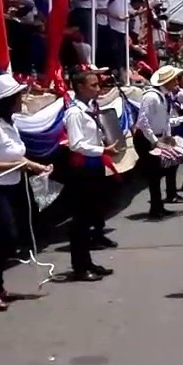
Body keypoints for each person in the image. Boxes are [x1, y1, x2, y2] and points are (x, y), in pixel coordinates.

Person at [0, 74, 52, 311]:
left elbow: (16, 156)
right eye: (17, 96)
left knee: (10, 237)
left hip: (12, 186)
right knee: (2, 238)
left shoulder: (10, 126)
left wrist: (36, 166)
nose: (22, 100)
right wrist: (15, 166)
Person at [61, 70, 118, 282]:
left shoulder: (90, 108)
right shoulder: (75, 112)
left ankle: (87, 261)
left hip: (93, 165)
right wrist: (101, 150)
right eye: (93, 85)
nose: (97, 88)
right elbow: (76, 144)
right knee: (81, 219)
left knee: (91, 214)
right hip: (82, 168)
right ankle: (80, 266)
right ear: (81, 87)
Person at [134, 64, 183, 219]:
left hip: (158, 137)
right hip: (147, 138)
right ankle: (156, 208)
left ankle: (158, 206)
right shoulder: (151, 97)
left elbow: (165, 121)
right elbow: (143, 122)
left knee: (158, 173)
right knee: (154, 174)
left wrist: (167, 138)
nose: (176, 83)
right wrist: (155, 141)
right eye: (174, 80)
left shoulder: (162, 97)